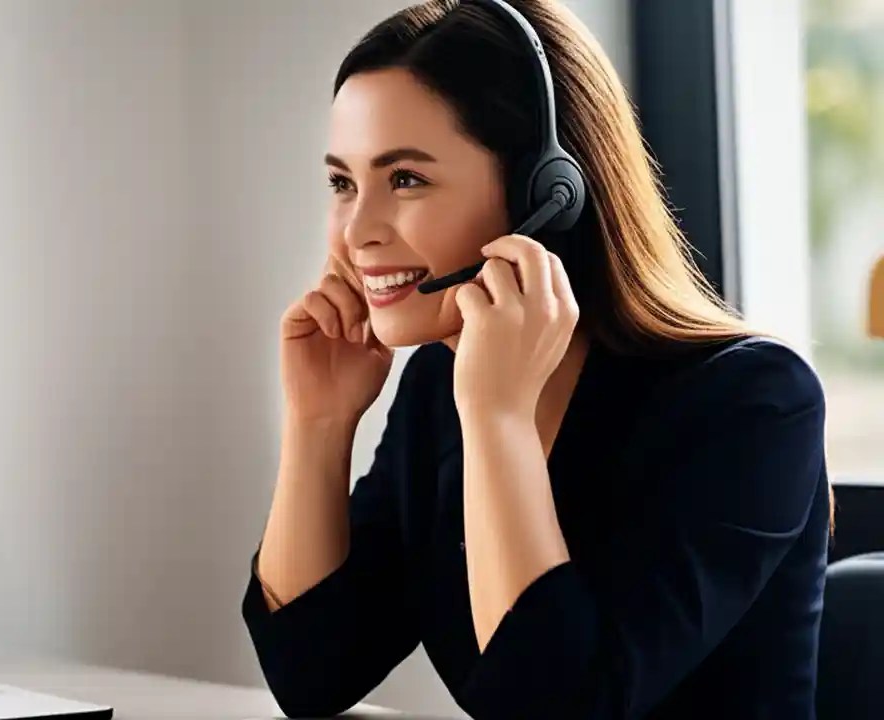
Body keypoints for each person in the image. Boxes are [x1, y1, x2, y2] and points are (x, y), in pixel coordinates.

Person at [241, 1, 831, 718]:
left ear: (547, 194)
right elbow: (310, 672)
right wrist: (319, 423)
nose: (356, 232)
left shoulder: (755, 402)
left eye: (405, 179)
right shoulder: (440, 383)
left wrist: (498, 420)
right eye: (343, 184)